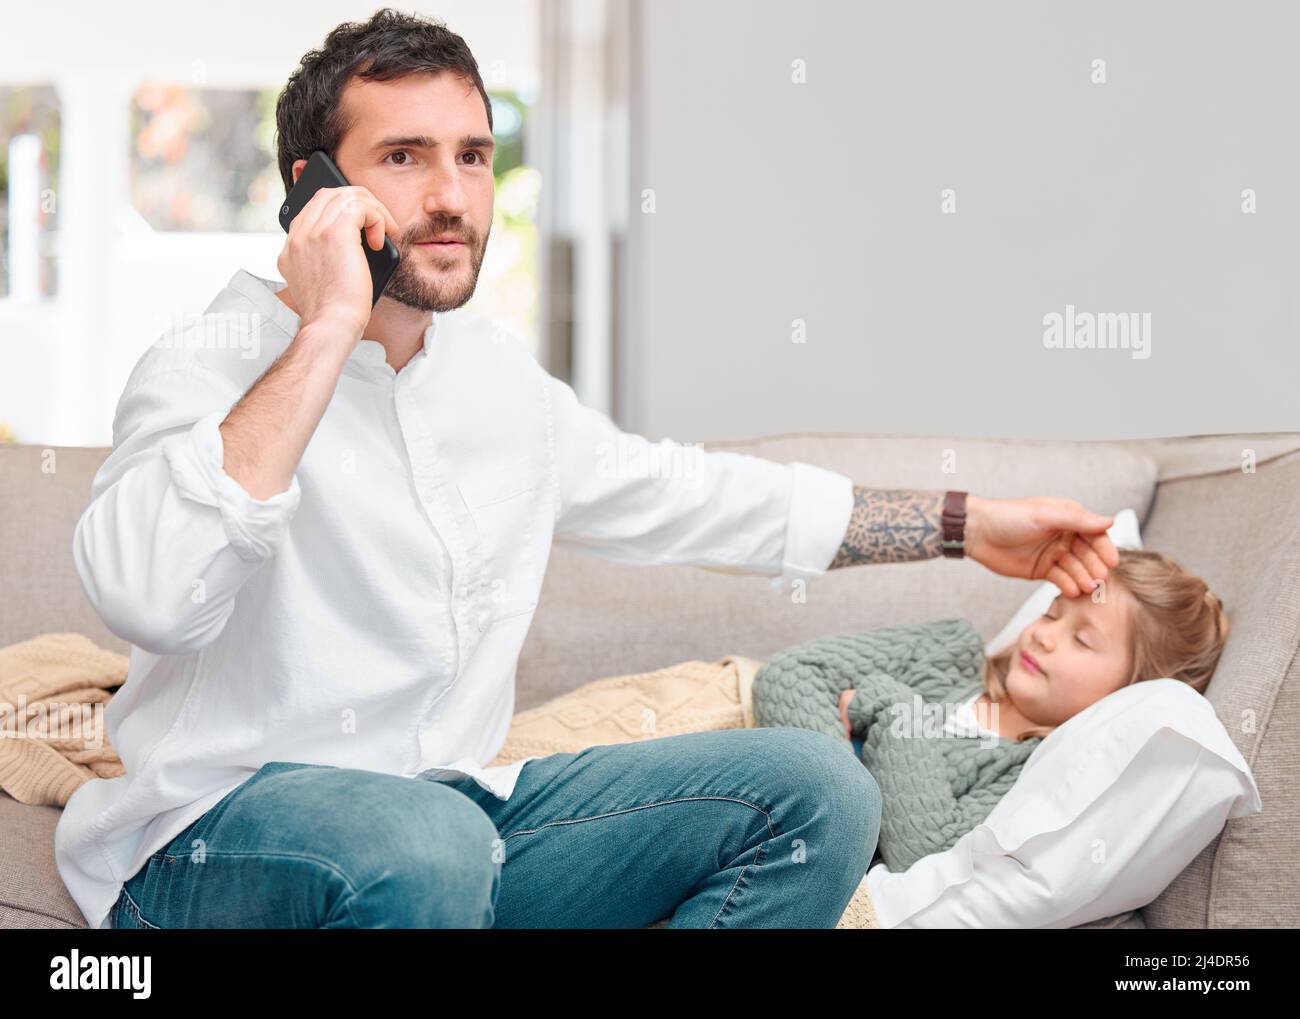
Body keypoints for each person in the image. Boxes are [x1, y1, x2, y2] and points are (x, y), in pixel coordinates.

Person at [56, 9, 1118, 930]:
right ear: (312, 188)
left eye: (471, 156)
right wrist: (329, 325)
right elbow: (146, 596)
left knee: (816, 790)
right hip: (209, 850)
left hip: (460, 824)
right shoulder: (212, 363)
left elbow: (701, 497)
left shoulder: (496, 384)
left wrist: (958, 521)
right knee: (424, 840)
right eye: (405, 157)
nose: (450, 197)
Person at [752, 548, 1229, 872]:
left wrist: (894, 709)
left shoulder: (1027, 771)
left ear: (1130, 690)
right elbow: (791, 675)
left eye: (1082, 638)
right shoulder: (950, 650)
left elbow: (923, 851)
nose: (1043, 634)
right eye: (1051, 613)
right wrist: (853, 802)